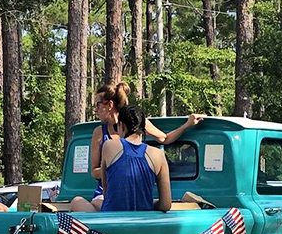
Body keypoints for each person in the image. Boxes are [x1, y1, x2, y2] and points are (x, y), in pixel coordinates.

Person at [71, 81, 204, 211]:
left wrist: (187, 125)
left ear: (109, 104)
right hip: (106, 194)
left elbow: (164, 138)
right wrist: (118, 168)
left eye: (98, 105)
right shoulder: (100, 133)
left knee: (82, 203)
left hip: (127, 195)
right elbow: (94, 171)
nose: (95, 110)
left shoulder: (136, 121)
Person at [74, 105, 171, 212]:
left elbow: (107, 193)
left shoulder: (108, 146)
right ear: (143, 128)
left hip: (112, 221)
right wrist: (150, 203)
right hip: (143, 222)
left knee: (76, 201)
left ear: (121, 126)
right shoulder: (158, 155)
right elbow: (166, 205)